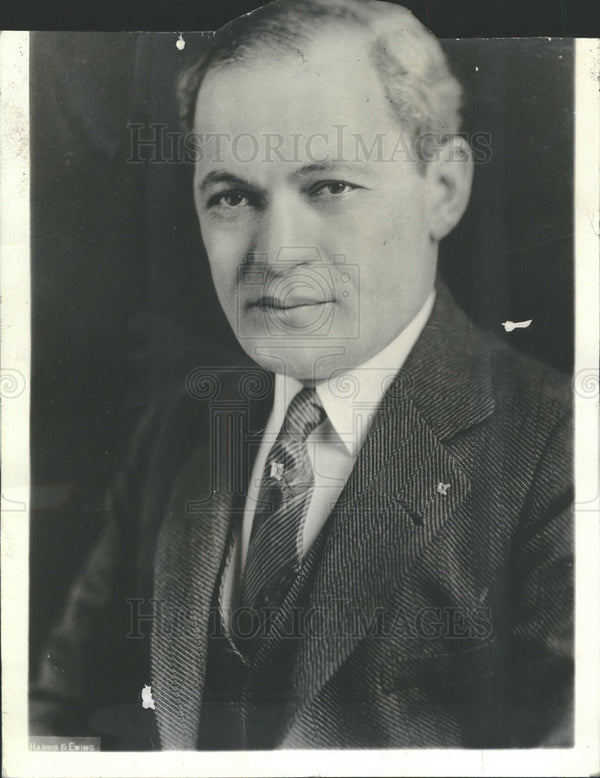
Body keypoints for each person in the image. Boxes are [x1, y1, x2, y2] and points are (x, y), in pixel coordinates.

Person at [30, 0, 573, 750]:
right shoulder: (181, 429)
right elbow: (47, 727)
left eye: (328, 187)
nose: (276, 253)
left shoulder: (562, 454)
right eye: (233, 198)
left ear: (442, 190)